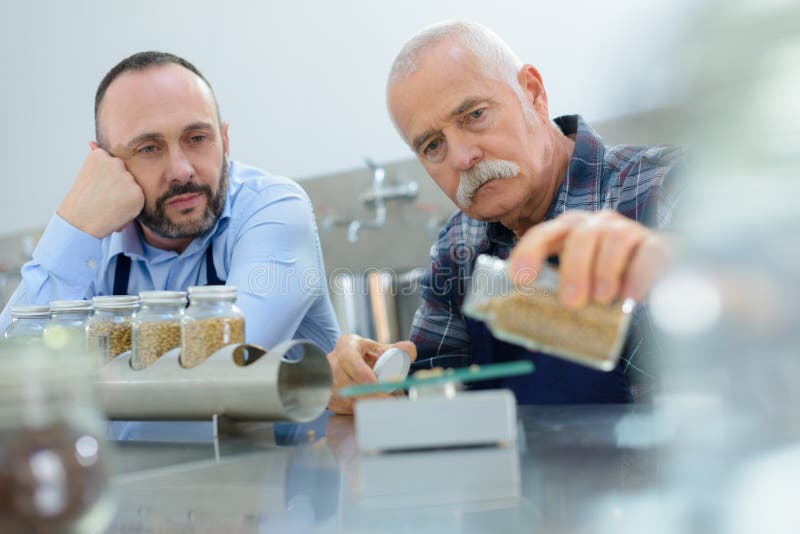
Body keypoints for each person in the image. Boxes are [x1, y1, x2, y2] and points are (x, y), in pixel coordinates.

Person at [326, 21, 682, 413]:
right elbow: (434, 394)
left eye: (475, 115)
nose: (463, 157)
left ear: (533, 93)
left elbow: (748, 314)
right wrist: (368, 383)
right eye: (433, 145)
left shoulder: (664, 188)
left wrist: (678, 263)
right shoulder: (459, 245)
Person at [0, 51, 340, 353]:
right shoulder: (91, 245)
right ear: (102, 165)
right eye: (149, 148)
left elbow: (230, 363)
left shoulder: (273, 208)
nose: (181, 170)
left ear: (224, 140)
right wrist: (75, 228)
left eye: (197, 138)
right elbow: (10, 374)